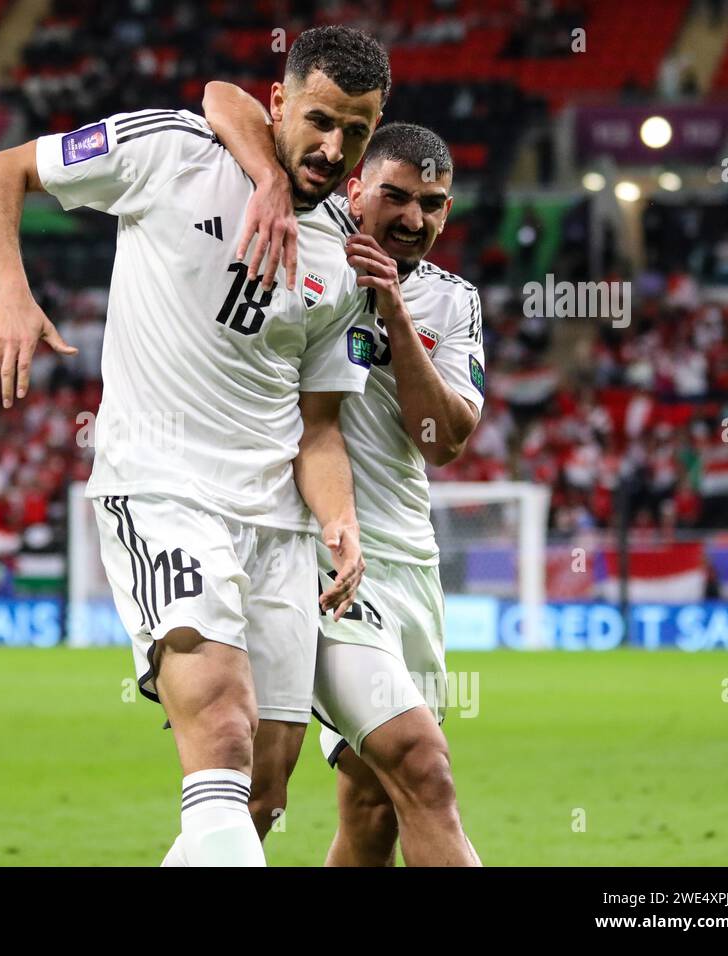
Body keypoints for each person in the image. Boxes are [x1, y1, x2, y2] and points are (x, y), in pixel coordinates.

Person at [0, 25, 394, 865]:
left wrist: (340, 519)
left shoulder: (341, 259)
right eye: (318, 119)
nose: (333, 146)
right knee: (224, 733)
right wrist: (9, 295)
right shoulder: (172, 149)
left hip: (277, 526)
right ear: (279, 101)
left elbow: (317, 425)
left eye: (357, 129)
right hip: (161, 488)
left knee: (264, 793)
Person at [206, 91, 486, 866]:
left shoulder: (451, 300)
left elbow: (445, 441)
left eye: (431, 205)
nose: (413, 218)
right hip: (315, 556)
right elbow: (221, 100)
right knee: (419, 769)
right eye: (394, 194)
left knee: (373, 805)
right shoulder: (301, 245)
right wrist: (266, 177)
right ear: (356, 186)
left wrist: (394, 310)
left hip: (409, 566)